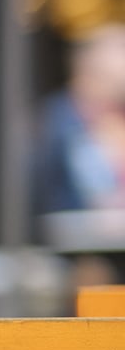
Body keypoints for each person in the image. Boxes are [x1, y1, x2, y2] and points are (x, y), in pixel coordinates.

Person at [34, 21, 125, 214]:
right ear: (92, 62)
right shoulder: (57, 121)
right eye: (121, 49)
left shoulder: (115, 118)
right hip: (73, 239)